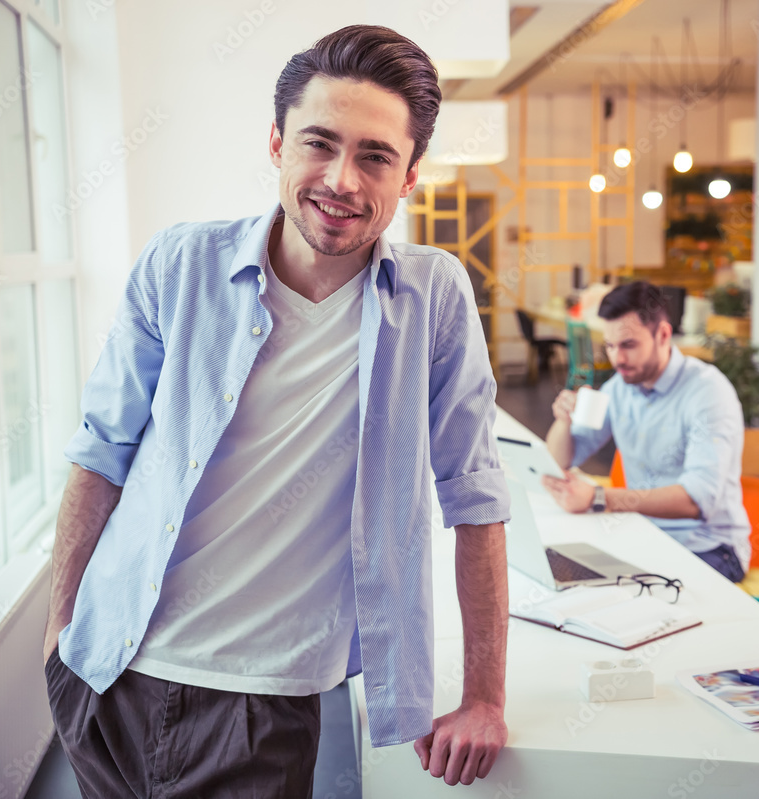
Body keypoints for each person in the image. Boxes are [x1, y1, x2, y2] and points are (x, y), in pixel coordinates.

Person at [42, 25, 511, 797]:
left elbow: (476, 495)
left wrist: (485, 696)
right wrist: (60, 634)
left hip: (265, 699)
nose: (342, 180)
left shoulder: (433, 297)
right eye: (319, 143)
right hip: (106, 668)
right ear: (276, 143)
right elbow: (102, 450)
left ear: (411, 176)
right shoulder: (179, 264)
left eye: (375, 156)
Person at [542, 281, 751, 582]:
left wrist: (599, 498)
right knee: (565, 572)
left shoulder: (708, 392)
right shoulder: (620, 388)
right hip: (644, 533)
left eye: (628, 345)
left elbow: (696, 499)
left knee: (619, 594)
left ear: (663, 335)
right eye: (610, 346)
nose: (617, 359)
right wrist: (564, 421)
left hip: (711, 548)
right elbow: (561, 460)